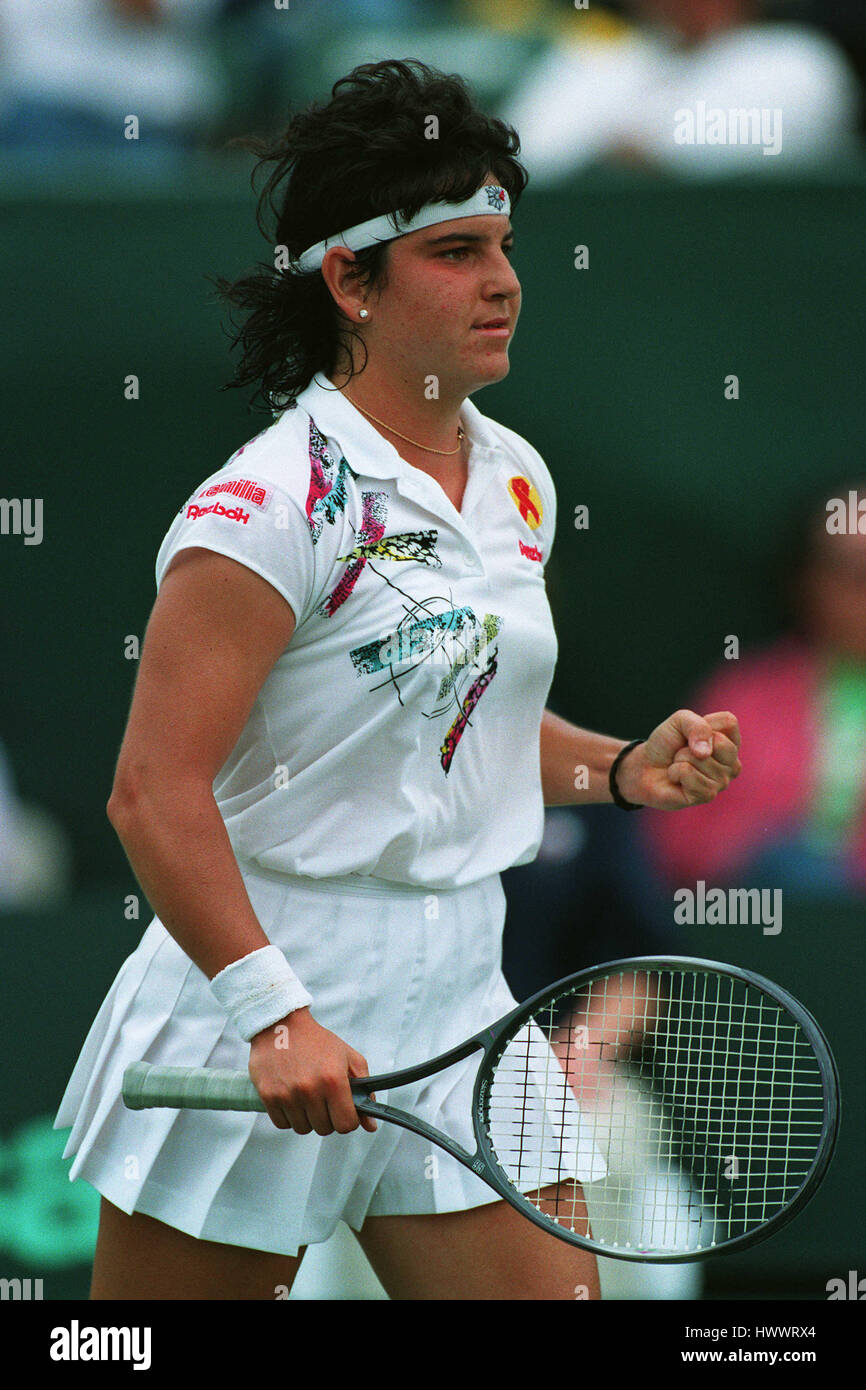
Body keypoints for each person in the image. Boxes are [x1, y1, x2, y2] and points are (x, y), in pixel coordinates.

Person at [53, 58, 740, 1301]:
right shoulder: (263, 507)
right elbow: (153, 792)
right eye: (455, 251)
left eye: (506, 244)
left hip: (463, 998)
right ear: (348, 279)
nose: (504, 280)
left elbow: (460, 724)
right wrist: (273, 1015)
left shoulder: (516, 479)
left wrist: (621, 769)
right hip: (264, 986)